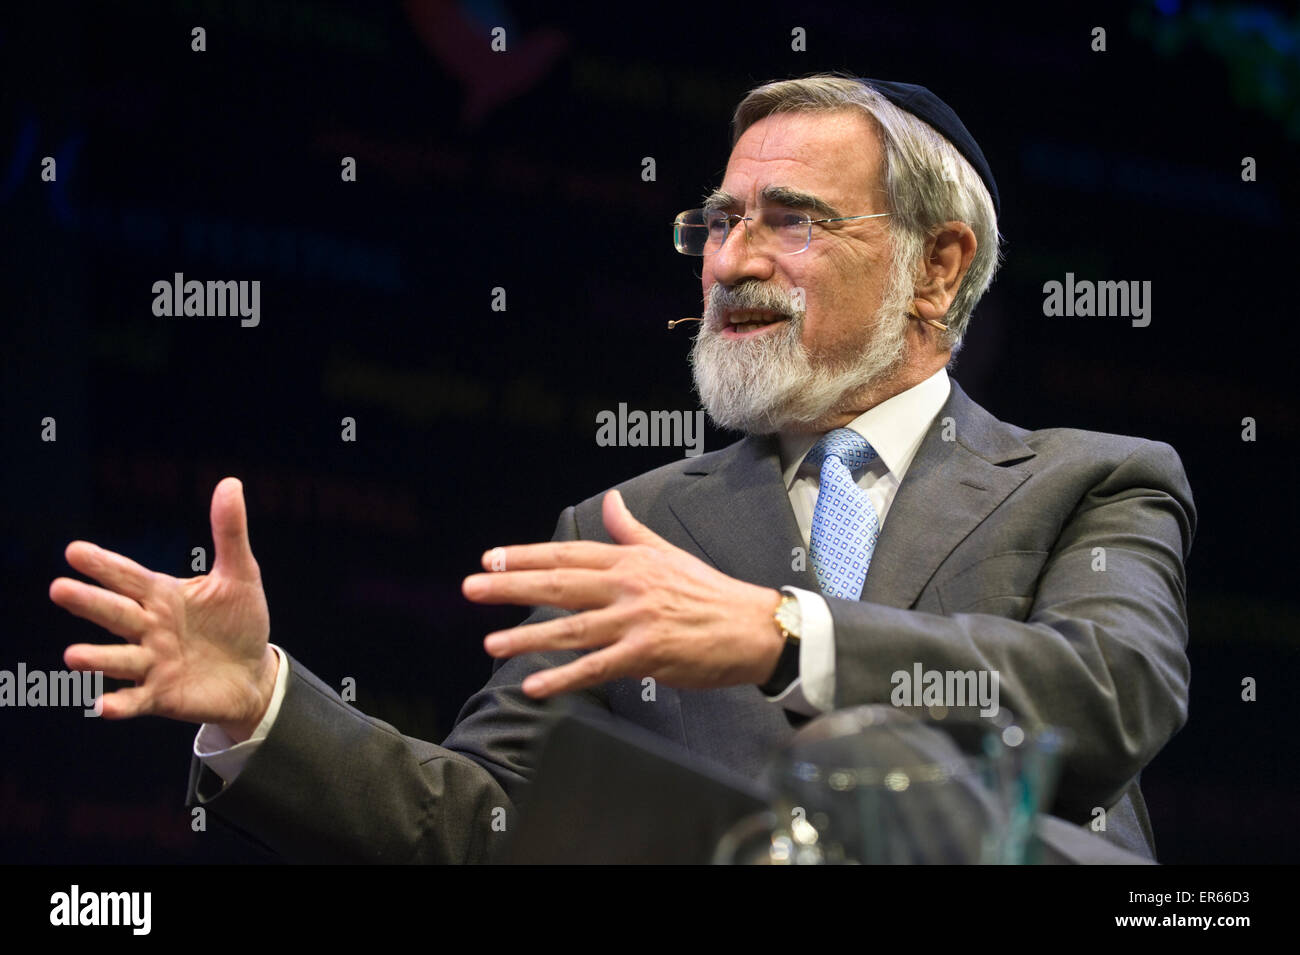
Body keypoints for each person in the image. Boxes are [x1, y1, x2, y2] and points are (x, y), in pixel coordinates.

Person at [49, 74, 1195, 863]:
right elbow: (484, 831)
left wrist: (786, 636)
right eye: (717, 222)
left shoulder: (1087, 484)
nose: (731, 260)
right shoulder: (627, 529)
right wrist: (265, 706)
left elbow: (1111, 689)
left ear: (938, 268)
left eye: (789, 222)